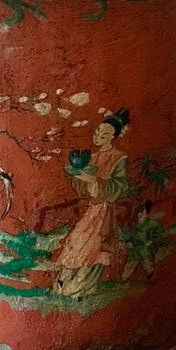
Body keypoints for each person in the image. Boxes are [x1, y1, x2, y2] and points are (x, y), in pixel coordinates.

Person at [52, 108, 131, 298]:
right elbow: (80, 186)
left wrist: (95, 182)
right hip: (90, 209)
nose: (98, 136)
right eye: (97, 132)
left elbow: (120, 186)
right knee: (77, 241)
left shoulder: (119, 158)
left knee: (94, 246)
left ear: (113, 136)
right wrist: (80, 178)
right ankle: (61, 284)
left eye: (104, 134)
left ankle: (81, 288)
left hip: (104, 211)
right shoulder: (91, 158)